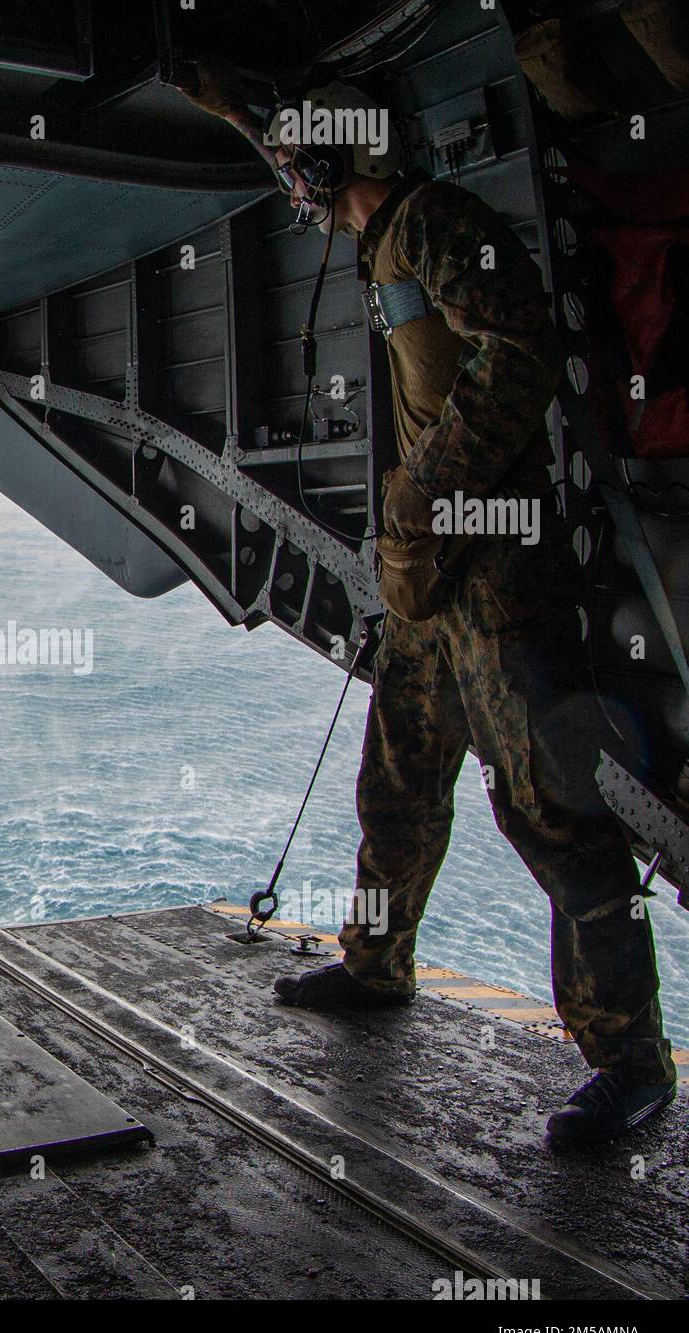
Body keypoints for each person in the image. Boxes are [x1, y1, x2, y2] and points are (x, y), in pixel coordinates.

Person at [182, 66, 677, 1145]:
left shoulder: (438, 223)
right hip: (431, 584)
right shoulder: (386, 242)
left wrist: (421, 496)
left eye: (297, 163)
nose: (291, 185)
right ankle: (375, 961)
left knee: (545, 813)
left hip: (494, 579)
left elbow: (523, 347)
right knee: (397, 785)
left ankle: (630, 1062)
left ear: (332, 156)